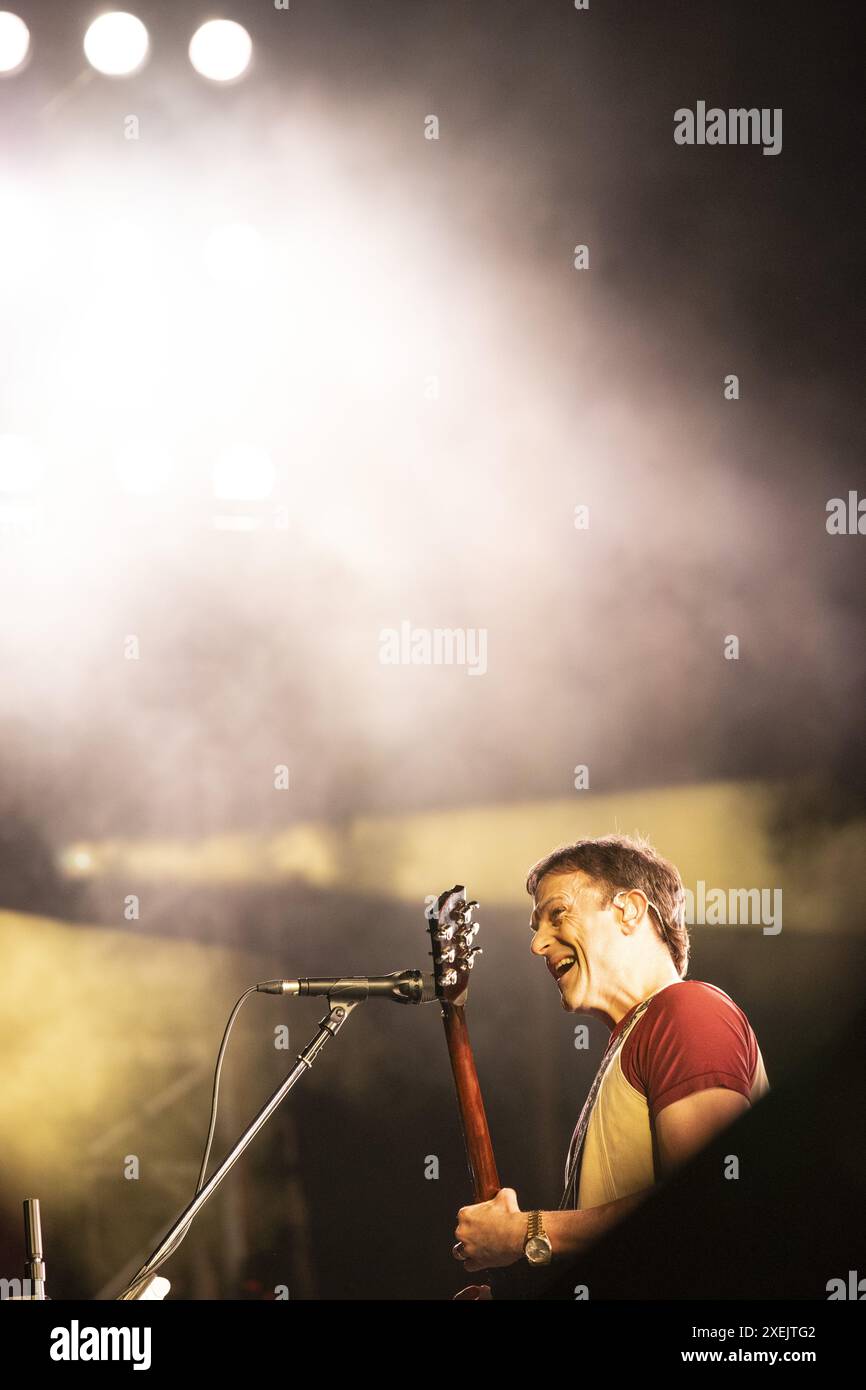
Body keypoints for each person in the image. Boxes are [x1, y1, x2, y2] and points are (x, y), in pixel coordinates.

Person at [452, 834, 770, 1282]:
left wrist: (528, 1231)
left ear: (630, 910)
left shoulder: (687, 1012)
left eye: (556, 915)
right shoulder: (641, 1035)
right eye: (535, 927)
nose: (538, 944)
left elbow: (708, 1210)